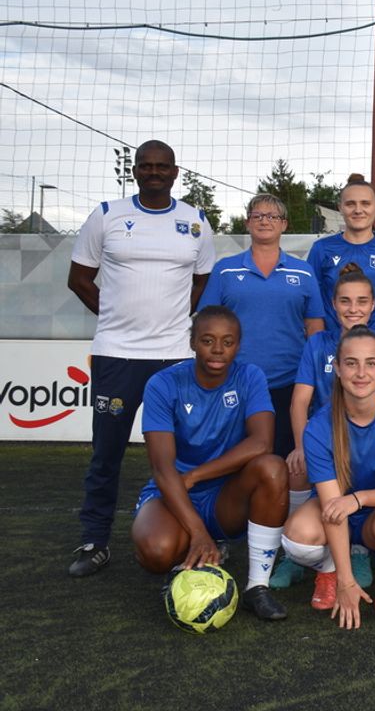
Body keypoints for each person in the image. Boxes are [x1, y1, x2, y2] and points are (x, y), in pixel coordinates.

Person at [67, 139, 215, 577]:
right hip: (117, 355)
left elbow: (203, 281)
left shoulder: (195, 221)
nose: (154, 172)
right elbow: (78, 279)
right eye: (146, 166)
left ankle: (194, 536)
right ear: (135, 171)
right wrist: (112, 314)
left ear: (175, 172)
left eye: (162, 166)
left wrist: (176, 319)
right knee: (106, 453)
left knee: (183, 453)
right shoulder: (108, 216)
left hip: (173, 357)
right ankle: (94, 542)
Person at [130, 305, 288, 620]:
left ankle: (257, 586)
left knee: (273, 468)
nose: (218, 350)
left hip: (223, 494)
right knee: (156, 552)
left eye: (227, 342)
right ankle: (187, 556)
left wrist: (197, 476)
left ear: (238, 345)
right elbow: (163, 469)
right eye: (208, 340)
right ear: (193, 342)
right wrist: (198, 530)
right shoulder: (163, 384)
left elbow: (261, 443)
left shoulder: (250, 376)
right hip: (174, 490)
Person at [274, 263, 375, 589]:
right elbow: (299, 402)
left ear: (374, 305)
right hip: (327, 439)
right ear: (333, 304)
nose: (354, 309)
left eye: (362, 301)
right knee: (297, 464)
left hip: (372, 440)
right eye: (346, 301)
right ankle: (298, 555)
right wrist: (300, 445)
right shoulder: (318, 343)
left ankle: (359, 549)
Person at [281, 326, 375, 628]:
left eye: (371, 363)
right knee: (297, 538)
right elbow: (333, 508)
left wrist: (358, 499)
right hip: (335, 511)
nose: (361, 373)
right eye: (351, 363)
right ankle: (328, 568)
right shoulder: (319, 426)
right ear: (336, 367)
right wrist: (346, 582)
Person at [199, 194, 324, 458]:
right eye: (258, 215)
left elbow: (316, 330)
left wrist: (313, 379)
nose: (265, 221)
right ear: (247, 223)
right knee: (234, 458)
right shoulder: (225, 270)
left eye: (272, 216)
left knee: (284, 460)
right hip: (234, 380)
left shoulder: (303, 272)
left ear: (284, 225)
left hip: (288, 383)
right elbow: (206, 324)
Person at [306, 175, 375, 335]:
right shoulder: (321, 249)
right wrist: (324, 345)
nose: (358, 210)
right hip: (333, 349)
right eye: (350, 204)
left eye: (365, 204)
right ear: (340, 207)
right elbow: (312, 305)